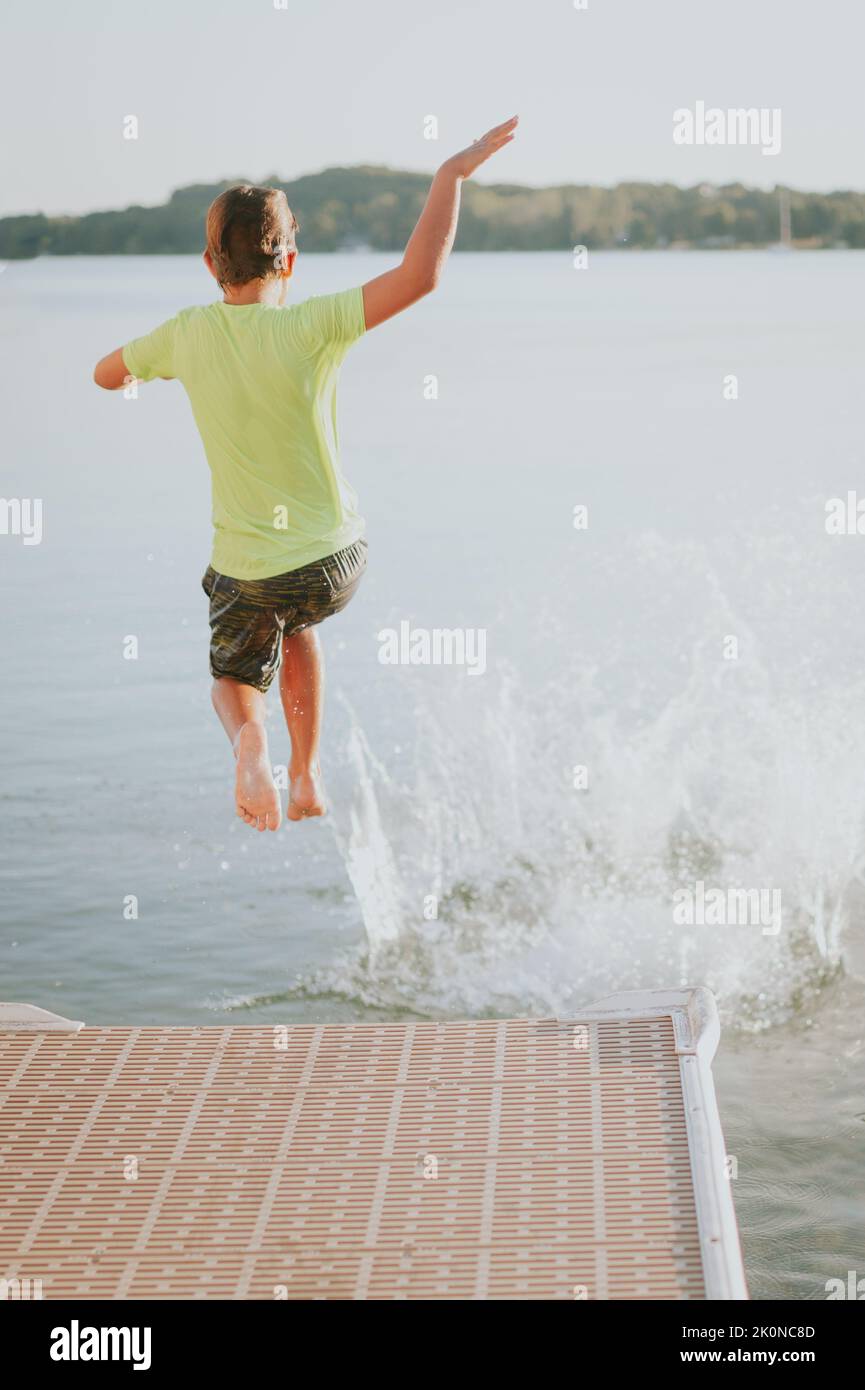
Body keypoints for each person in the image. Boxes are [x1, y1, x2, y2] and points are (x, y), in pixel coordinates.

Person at [94, 117, 518, 830]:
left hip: (245, 570)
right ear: (288, 262)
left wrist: (156, 365)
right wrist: (450, 177)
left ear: (208, 263)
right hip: (332, 562)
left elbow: (105, 375)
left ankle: (251, 739)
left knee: (233, 678)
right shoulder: (313, 325)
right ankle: (306, 774)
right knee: (300, 625)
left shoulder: (185, 333)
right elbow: (421, 276)